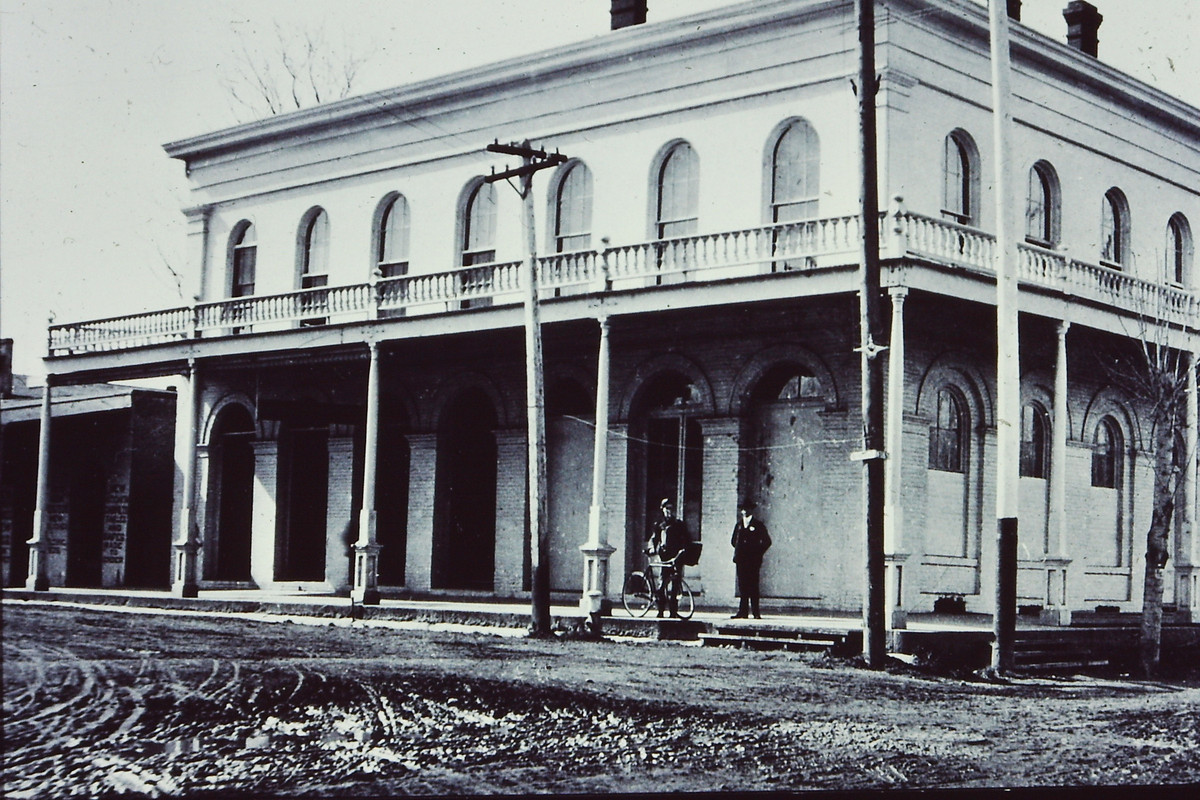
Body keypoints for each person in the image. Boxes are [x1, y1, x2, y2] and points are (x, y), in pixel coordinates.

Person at [646, 497, 691, 618]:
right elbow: (654, 538)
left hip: (676, 557)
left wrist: (683, 550)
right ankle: (660, 611)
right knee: (662, 584)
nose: (669, 511)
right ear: (662, 509)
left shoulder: (679, 524)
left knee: (675, 585)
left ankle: (673, 612)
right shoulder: (659, 524)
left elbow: (687, 539)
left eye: (671, 508)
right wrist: (652, 547)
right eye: (666, 508)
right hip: (664, 558)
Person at [730, 500, 771, 619]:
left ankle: (756, 612)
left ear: (751, 510)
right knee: (742, 586)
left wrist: (757, 553)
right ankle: (742, 612)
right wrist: (740, 550)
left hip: (753, 561)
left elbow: (767, 541)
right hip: (741, 560)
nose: (744, 511)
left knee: (753, 586)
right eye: (742, 509)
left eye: (747, 509)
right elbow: (733, 541)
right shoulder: (738, 525)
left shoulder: (758, 525)